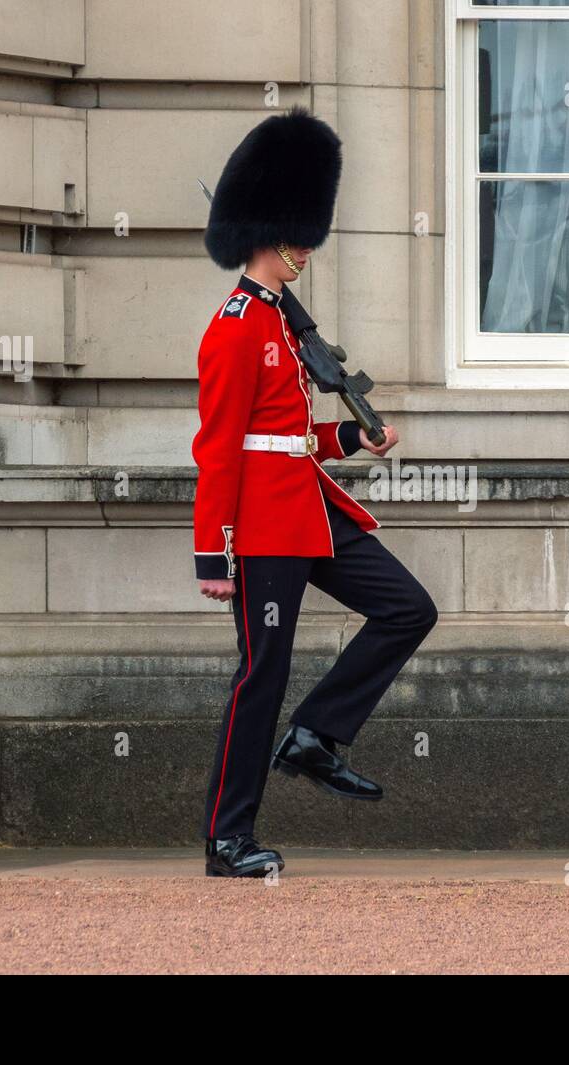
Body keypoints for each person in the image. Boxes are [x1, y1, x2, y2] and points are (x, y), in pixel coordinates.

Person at [194, 108, 437, 878]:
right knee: (261, 673)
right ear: (265, 230)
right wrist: (213, 551)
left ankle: (316, 735)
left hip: (306, 507)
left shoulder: (283, 325)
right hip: (264, 524)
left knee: (408, 608)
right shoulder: (235, 327)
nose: (304, 251)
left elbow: (289, 435)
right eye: (295, 237)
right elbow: (222, 449)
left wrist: (349, 438)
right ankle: (228, 836)